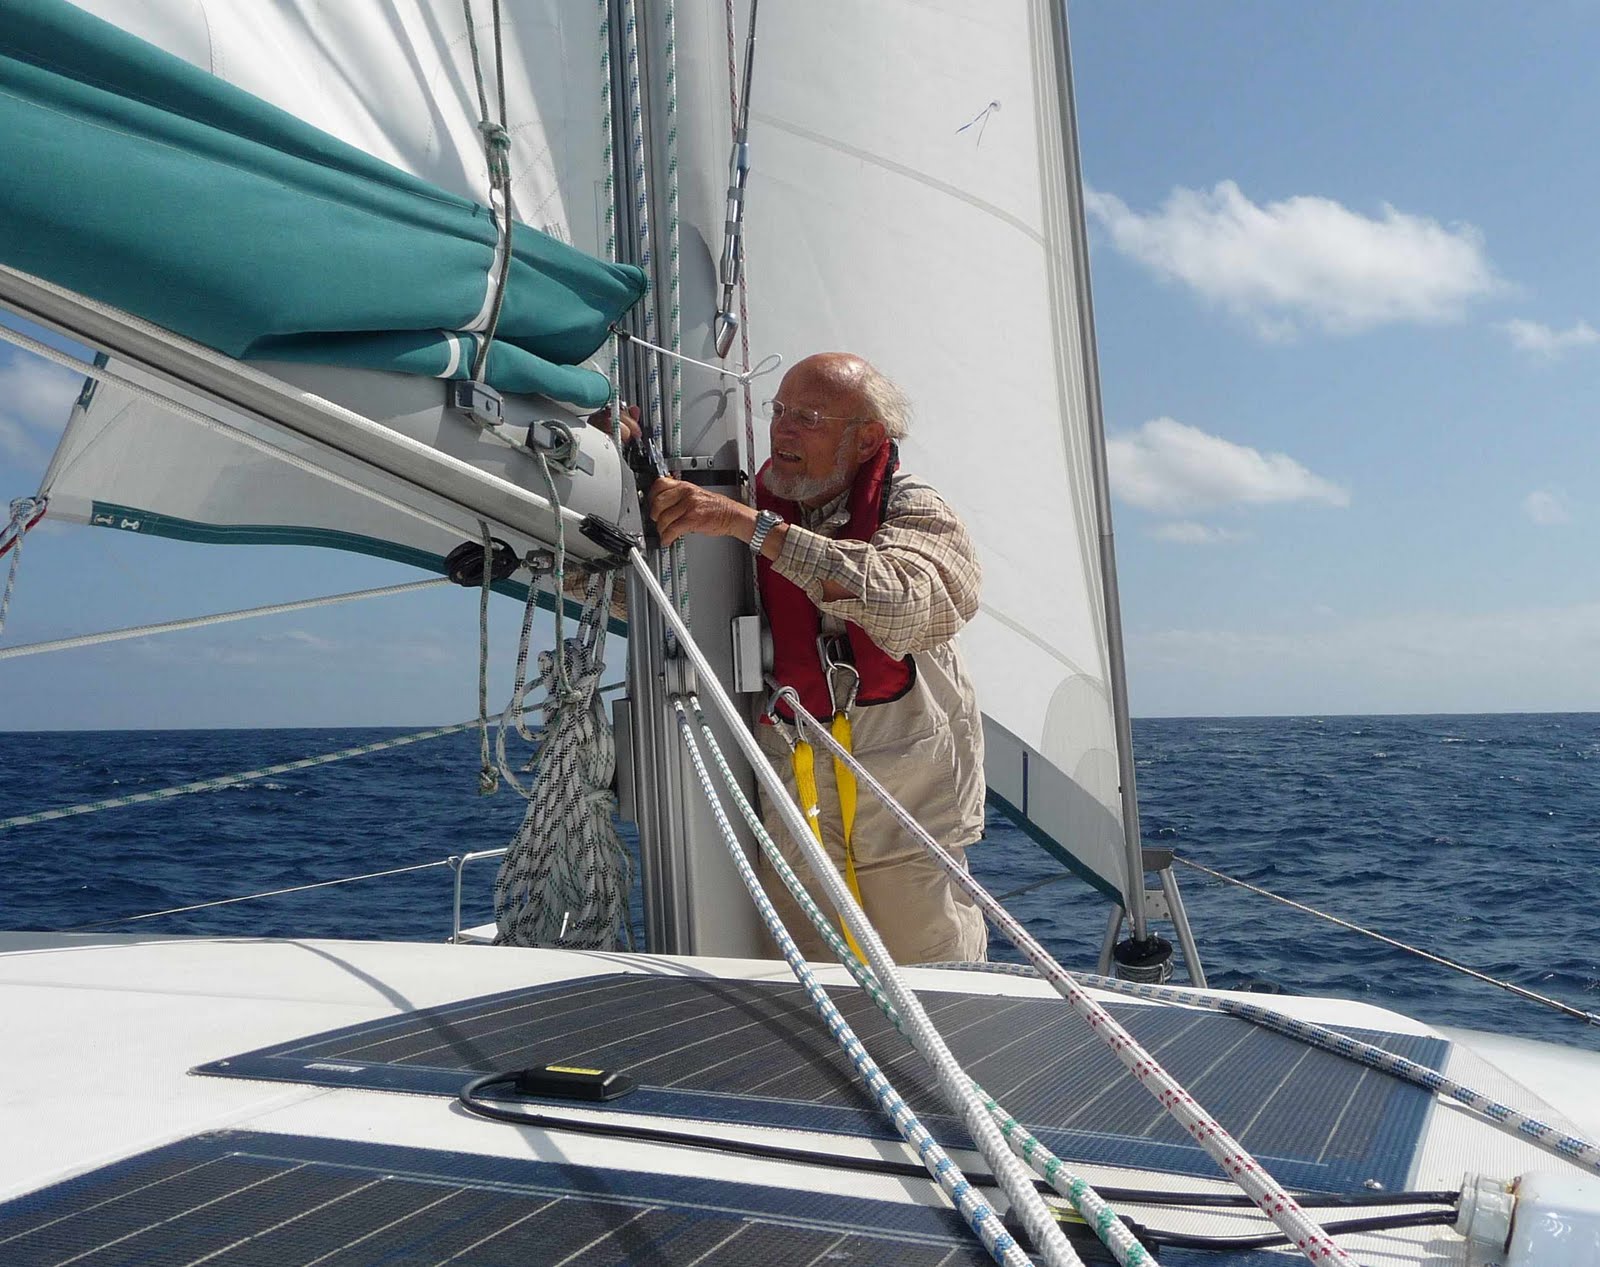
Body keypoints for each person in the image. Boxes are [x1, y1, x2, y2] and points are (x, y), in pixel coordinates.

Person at [632, 352, 988, 965]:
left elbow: (907, 603)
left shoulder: (916, 511)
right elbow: (653, 597)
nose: (782, 429)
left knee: (936, 992)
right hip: (794, 810)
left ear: (867, 437)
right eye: (779, 411)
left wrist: (753, 529)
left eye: (809, 416)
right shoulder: (740, 518)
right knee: (808, 1002)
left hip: (904, 817)